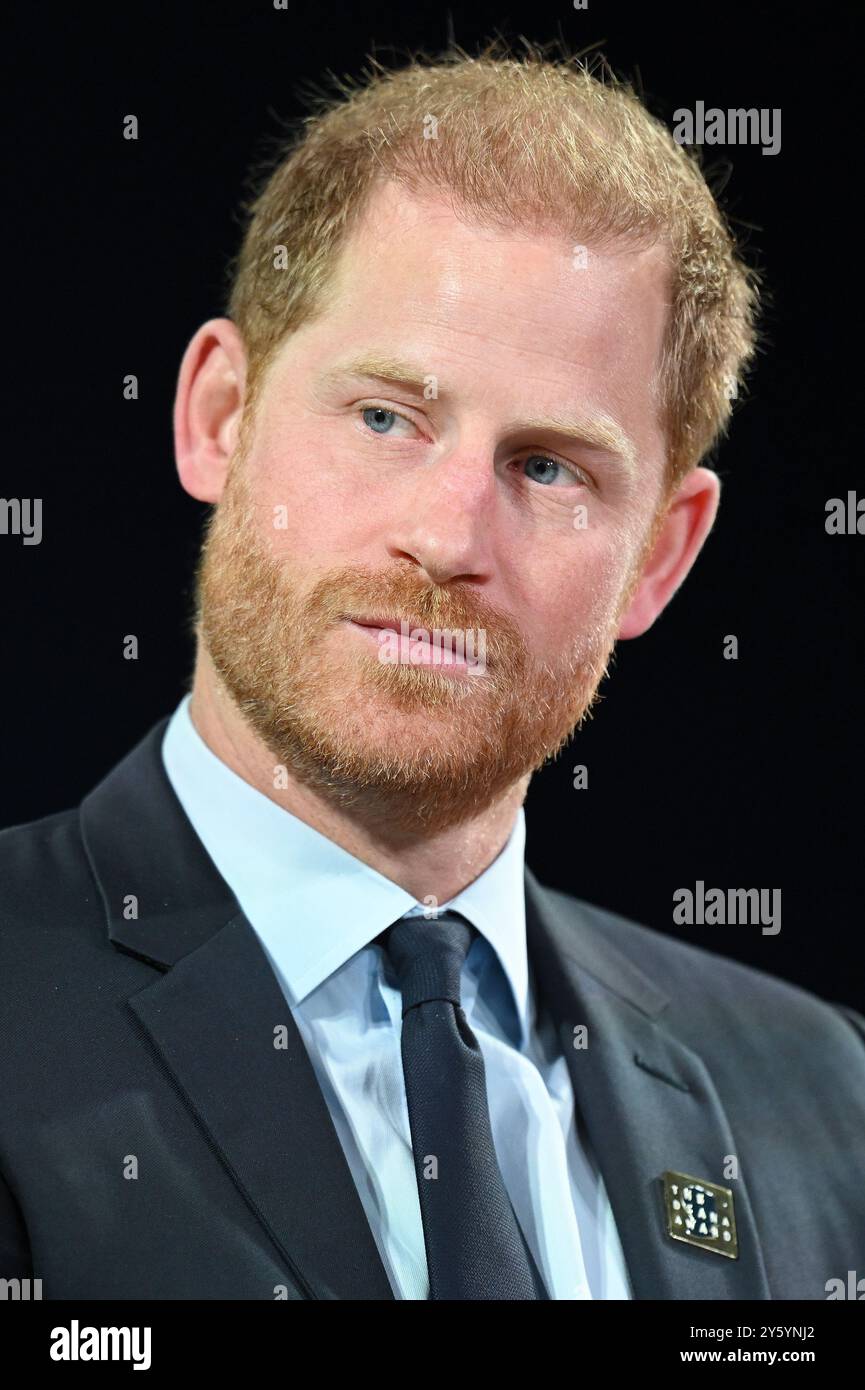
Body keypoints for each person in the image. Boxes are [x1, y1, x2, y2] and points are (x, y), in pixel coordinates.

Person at [1, 44, 863, 1301]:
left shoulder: (824, 1101)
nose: (451, 539)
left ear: (659, 559)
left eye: (551, 467)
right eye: (385, 417)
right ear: (219, 415)